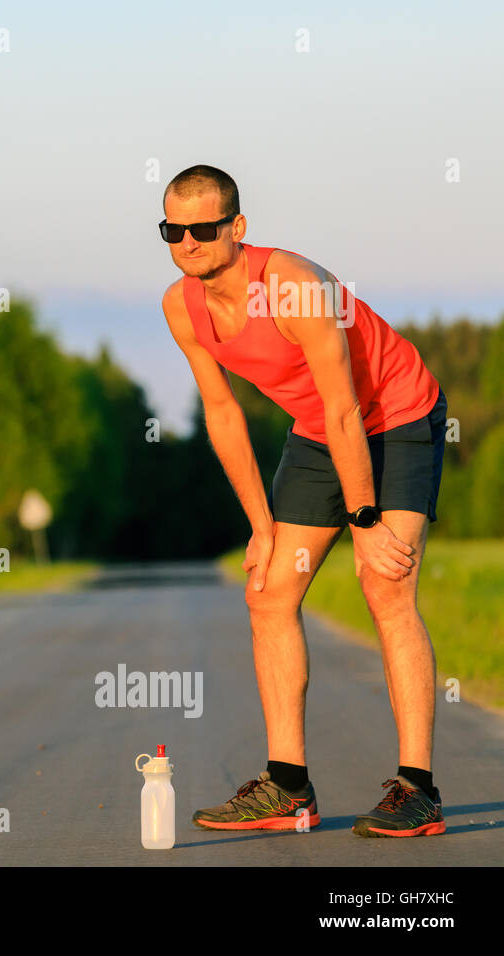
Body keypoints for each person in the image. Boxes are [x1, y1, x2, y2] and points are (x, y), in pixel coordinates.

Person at [159, 165, 447, 837]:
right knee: (268, 592)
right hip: (321, 433)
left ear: (238, 228)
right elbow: (223, 414)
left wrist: (367, 521)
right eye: (174, 229)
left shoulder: (292, 286)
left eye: (204, 228)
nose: (189, 242)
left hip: (394, 416)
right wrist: (261, 527)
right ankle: (287, 788)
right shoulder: (182, 306)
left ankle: (419, 790)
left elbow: (349, 409)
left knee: (385, 582)